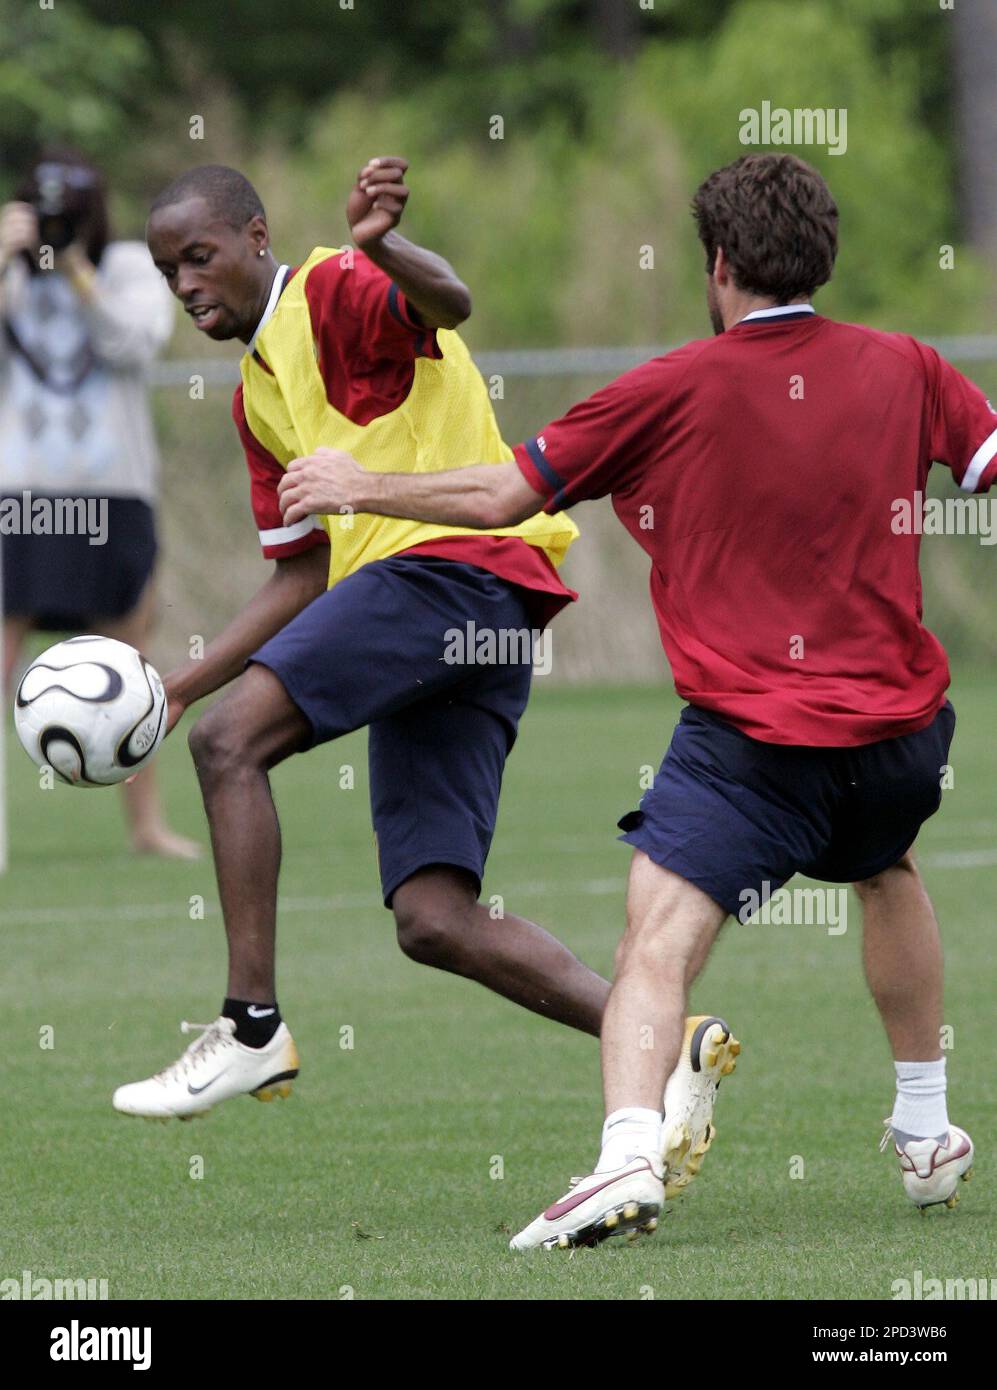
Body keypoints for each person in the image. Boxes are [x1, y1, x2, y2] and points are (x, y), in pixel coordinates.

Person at [279, 152, 991, 1250]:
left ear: (716, 264)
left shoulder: (670, 386)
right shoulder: (909, 366)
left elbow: (503, 493)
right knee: (884, 866)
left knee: (654, 945)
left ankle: (623, 1157)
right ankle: (926, 1130)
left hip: (750, 741)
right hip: (899, 734)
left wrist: (355, 482)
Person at [113, 156, 737, 1207]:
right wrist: (176, 688)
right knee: (432, 918)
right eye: (168, 268)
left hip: (454, 574)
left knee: (233, 746)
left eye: (200, 255)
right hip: (463, 612)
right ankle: (666, 1038)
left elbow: (446, 300)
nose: (185, 283)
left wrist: (383, 246)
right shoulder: (258, 391)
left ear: (258, 237)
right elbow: (303, 570)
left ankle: (251, 1026)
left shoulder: (333, 289)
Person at [0, 150, 199, 860]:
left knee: (126, 665)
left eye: (70, 211)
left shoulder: (126, 268)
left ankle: (146, 827)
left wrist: (76, 268)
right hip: (19, 496)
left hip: (113, 494)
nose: (57, 223)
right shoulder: (10, 276)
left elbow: (135, 343)